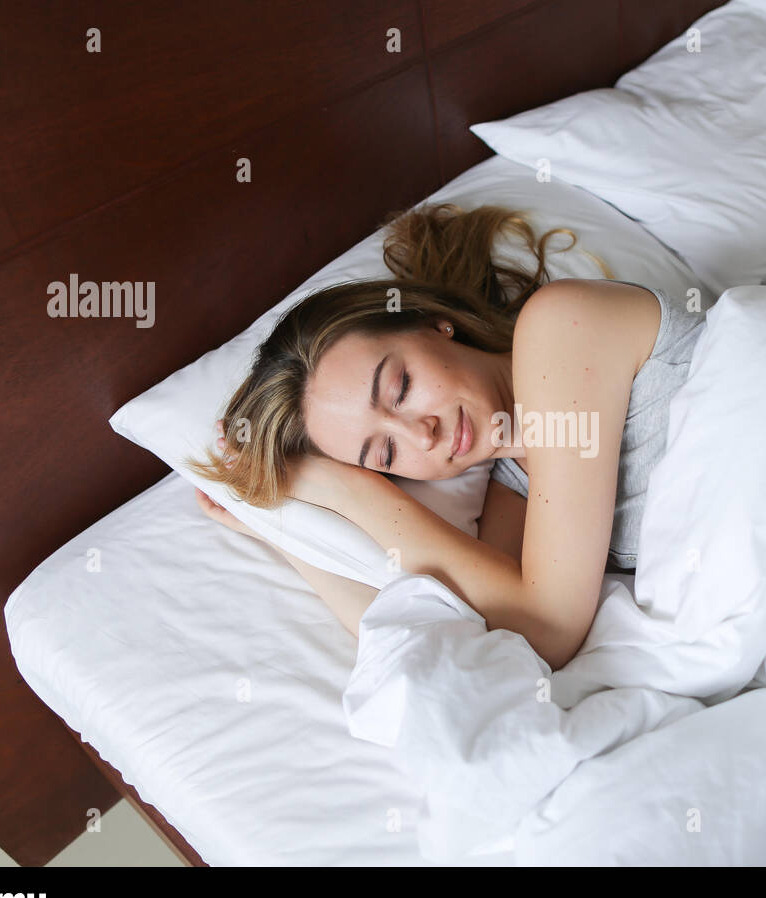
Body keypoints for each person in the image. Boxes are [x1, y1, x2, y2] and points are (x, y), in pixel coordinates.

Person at [188, 203, 703, 670]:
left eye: (401, 387)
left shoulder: (560, 326)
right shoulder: (512, 493)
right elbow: (453, 639)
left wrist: (351, 488)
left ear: (437, 325)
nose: (421, 433)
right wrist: (283, 532)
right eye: (386, 452)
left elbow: (551, 627)